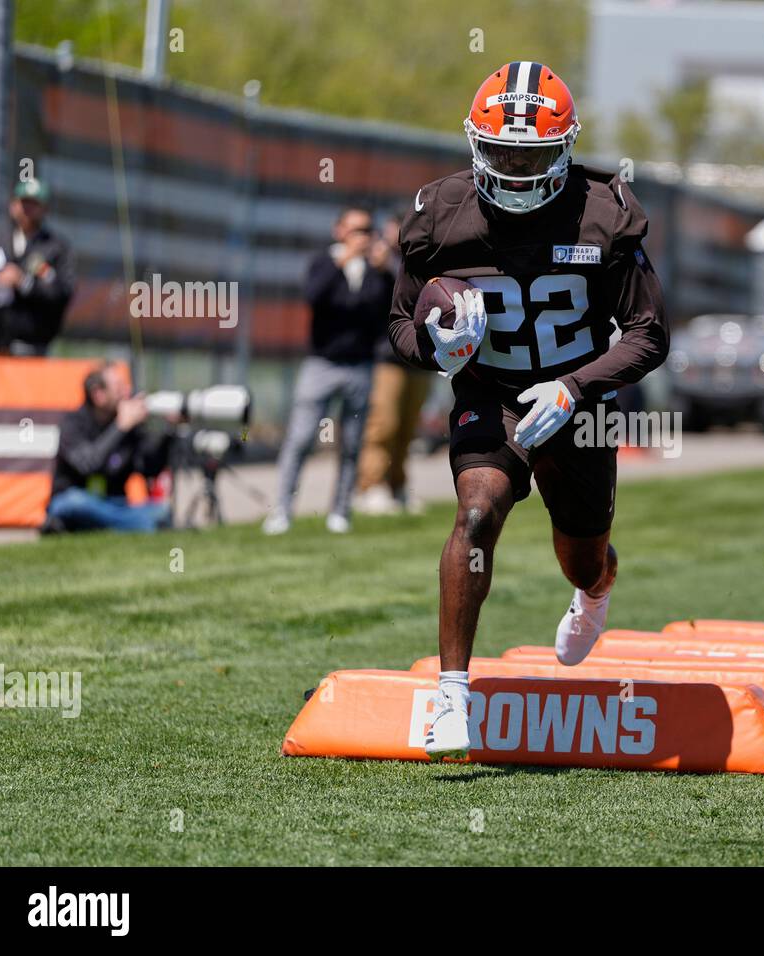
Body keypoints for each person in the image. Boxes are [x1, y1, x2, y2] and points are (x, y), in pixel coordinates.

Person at [387, 61, 668, 758]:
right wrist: (435, 346)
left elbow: (649, 334)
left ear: (566, 148)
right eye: (503, 151)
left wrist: (574, 388)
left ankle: (597, 591)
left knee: (581, 555)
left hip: (577, 401)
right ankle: (454, 695)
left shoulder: (603, 212)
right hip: (490, 393)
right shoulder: (440, 215)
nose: (514, 168)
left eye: (532, 155)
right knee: (476, 510)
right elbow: (397, 323)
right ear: (475, 145)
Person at [262, 206, 394, 535]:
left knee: (351, 444)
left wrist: (386, 273)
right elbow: (313, 295)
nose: (362, 237)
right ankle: (282, 509)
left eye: (367, 230)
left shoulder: (376, 272)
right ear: (340, 231)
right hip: (321, 364)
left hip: (360, 367)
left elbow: (388, 314)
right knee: (301, 438)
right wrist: (343, 261)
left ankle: (340, 511)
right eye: (356, 230)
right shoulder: (325, 262)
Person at [353, 215, 432, 515]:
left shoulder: (421, 260)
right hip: (388, 358)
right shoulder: (379, 265)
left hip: (419, 357)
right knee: (383, 424)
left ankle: (397, 487)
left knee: (407, 428)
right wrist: (380, 265)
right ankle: (370, 486)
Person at [46, 363, 176, 533]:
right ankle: (123, 525)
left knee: (162, 511)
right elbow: (88, 465)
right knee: (74, 503)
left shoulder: (130, 427)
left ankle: (98, 525)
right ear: (98, 395)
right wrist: (120, 427)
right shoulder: (72, 423)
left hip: (114, 504)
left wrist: (169, 432)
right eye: (119, 387)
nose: (127, 391)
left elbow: (149, 469)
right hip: (78, 499)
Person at [0, 178, 75, 356]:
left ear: (44, 208)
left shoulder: (56, 248)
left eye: (33, 203)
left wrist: (23, 281)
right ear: (13, 205)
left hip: (32, 344)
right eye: (23, 202)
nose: (27, 208)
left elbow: (62, 291)